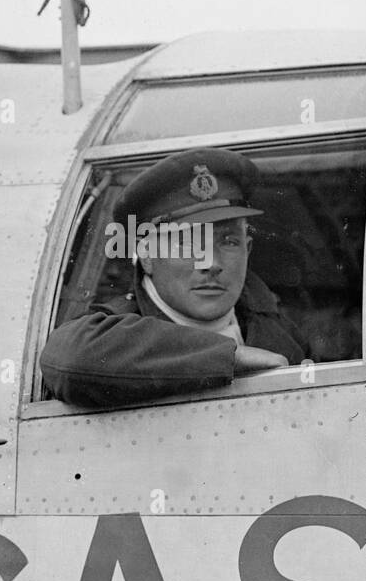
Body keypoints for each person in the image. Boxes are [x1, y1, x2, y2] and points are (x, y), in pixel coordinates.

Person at [40, 147, 309, 407]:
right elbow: (67, 358)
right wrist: (230, 357)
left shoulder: (280, 331)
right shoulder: (111, 330)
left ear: (247, 249)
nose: (211, 264)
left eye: (228, 241)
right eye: (187, 244)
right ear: (146, 256)